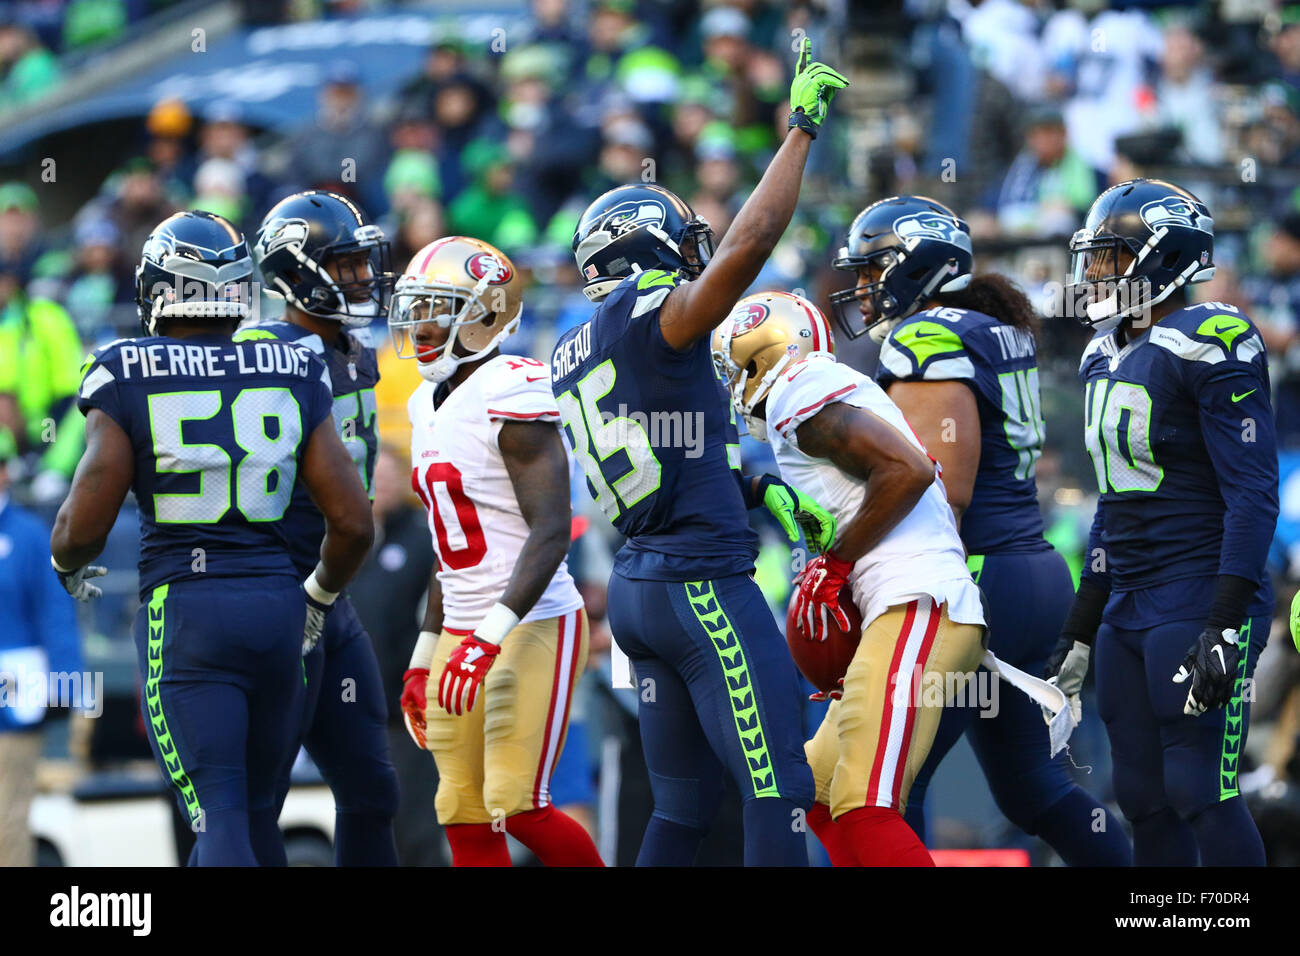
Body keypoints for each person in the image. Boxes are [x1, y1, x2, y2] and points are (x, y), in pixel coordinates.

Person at [549, 40, 847, 866]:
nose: (695, 258)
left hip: (641, 587)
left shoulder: (575, 346)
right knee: (780, 789)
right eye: (680, 245)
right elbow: (748, 245)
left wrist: (749, 489)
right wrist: (799, 132)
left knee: (680, 810)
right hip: (699, 585)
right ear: (643, 251)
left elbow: (659, 450)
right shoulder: (656, 316)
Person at [49, 211, 373, 865]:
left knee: (218, 817)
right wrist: (318, 596)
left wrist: (68, 563)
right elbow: (354, 522)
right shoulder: (292, 364)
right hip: (280, 608)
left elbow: (81, 527)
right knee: (258, 819)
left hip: (189, 611)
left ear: (160, 288)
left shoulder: (124, 368)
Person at [832, 194, 1131, 865]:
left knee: (875, 788)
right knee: (1032, 787)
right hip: (1026, 571)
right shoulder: (990, 328)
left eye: (871, 269)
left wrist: (851, 563)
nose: (860, 288)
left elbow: (943, 488)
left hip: (974, 579)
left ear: (918, 267)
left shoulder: (927, 337)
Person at [1046, 179, 1278, 866]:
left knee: (1199, 788)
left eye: (1110, 258)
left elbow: (1253, 493)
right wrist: (1081, 628)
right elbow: (1113, 505)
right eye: (1092, 259)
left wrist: (1226, 619)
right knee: (1141, 795)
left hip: (1199, 589)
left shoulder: (1214, 337)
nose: (1094, 274)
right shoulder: (1102, 352)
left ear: (1161, 259)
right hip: (1129, 601)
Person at [713, 291, 986, 866]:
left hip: (916, 601)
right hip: (906, 604)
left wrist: (837, 565)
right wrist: (765, 493)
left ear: (763, 356)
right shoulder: (812, 393)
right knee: (818, 791)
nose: (731, 384)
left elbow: (906, 471)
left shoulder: (796, 389)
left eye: (734, 367)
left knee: (865, 805)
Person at [390, 235, 603, 867]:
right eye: (416, 306)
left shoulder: (513, 388)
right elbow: (446, 546)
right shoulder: (422, 402)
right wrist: (423, 655)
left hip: (530, 620)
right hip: (460, 623)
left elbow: (550, 532)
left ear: (487, 312)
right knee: (461, 805)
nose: (421, 322)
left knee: (519, 802)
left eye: (438, 306)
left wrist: (488, 637)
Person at [240, 189, 400, 866]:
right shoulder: (259, 352)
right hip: (278, 592)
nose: (362, 278)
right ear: (296, 272)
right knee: (260, 797)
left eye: (363, 263)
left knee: (372, 789)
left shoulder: (355, 350)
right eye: (344, 266)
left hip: (332, 594)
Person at [0, 428, 83, 867]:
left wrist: (66, 690)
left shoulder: (31, 538)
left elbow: (56, 615)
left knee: (6, 819)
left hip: (12, 704)